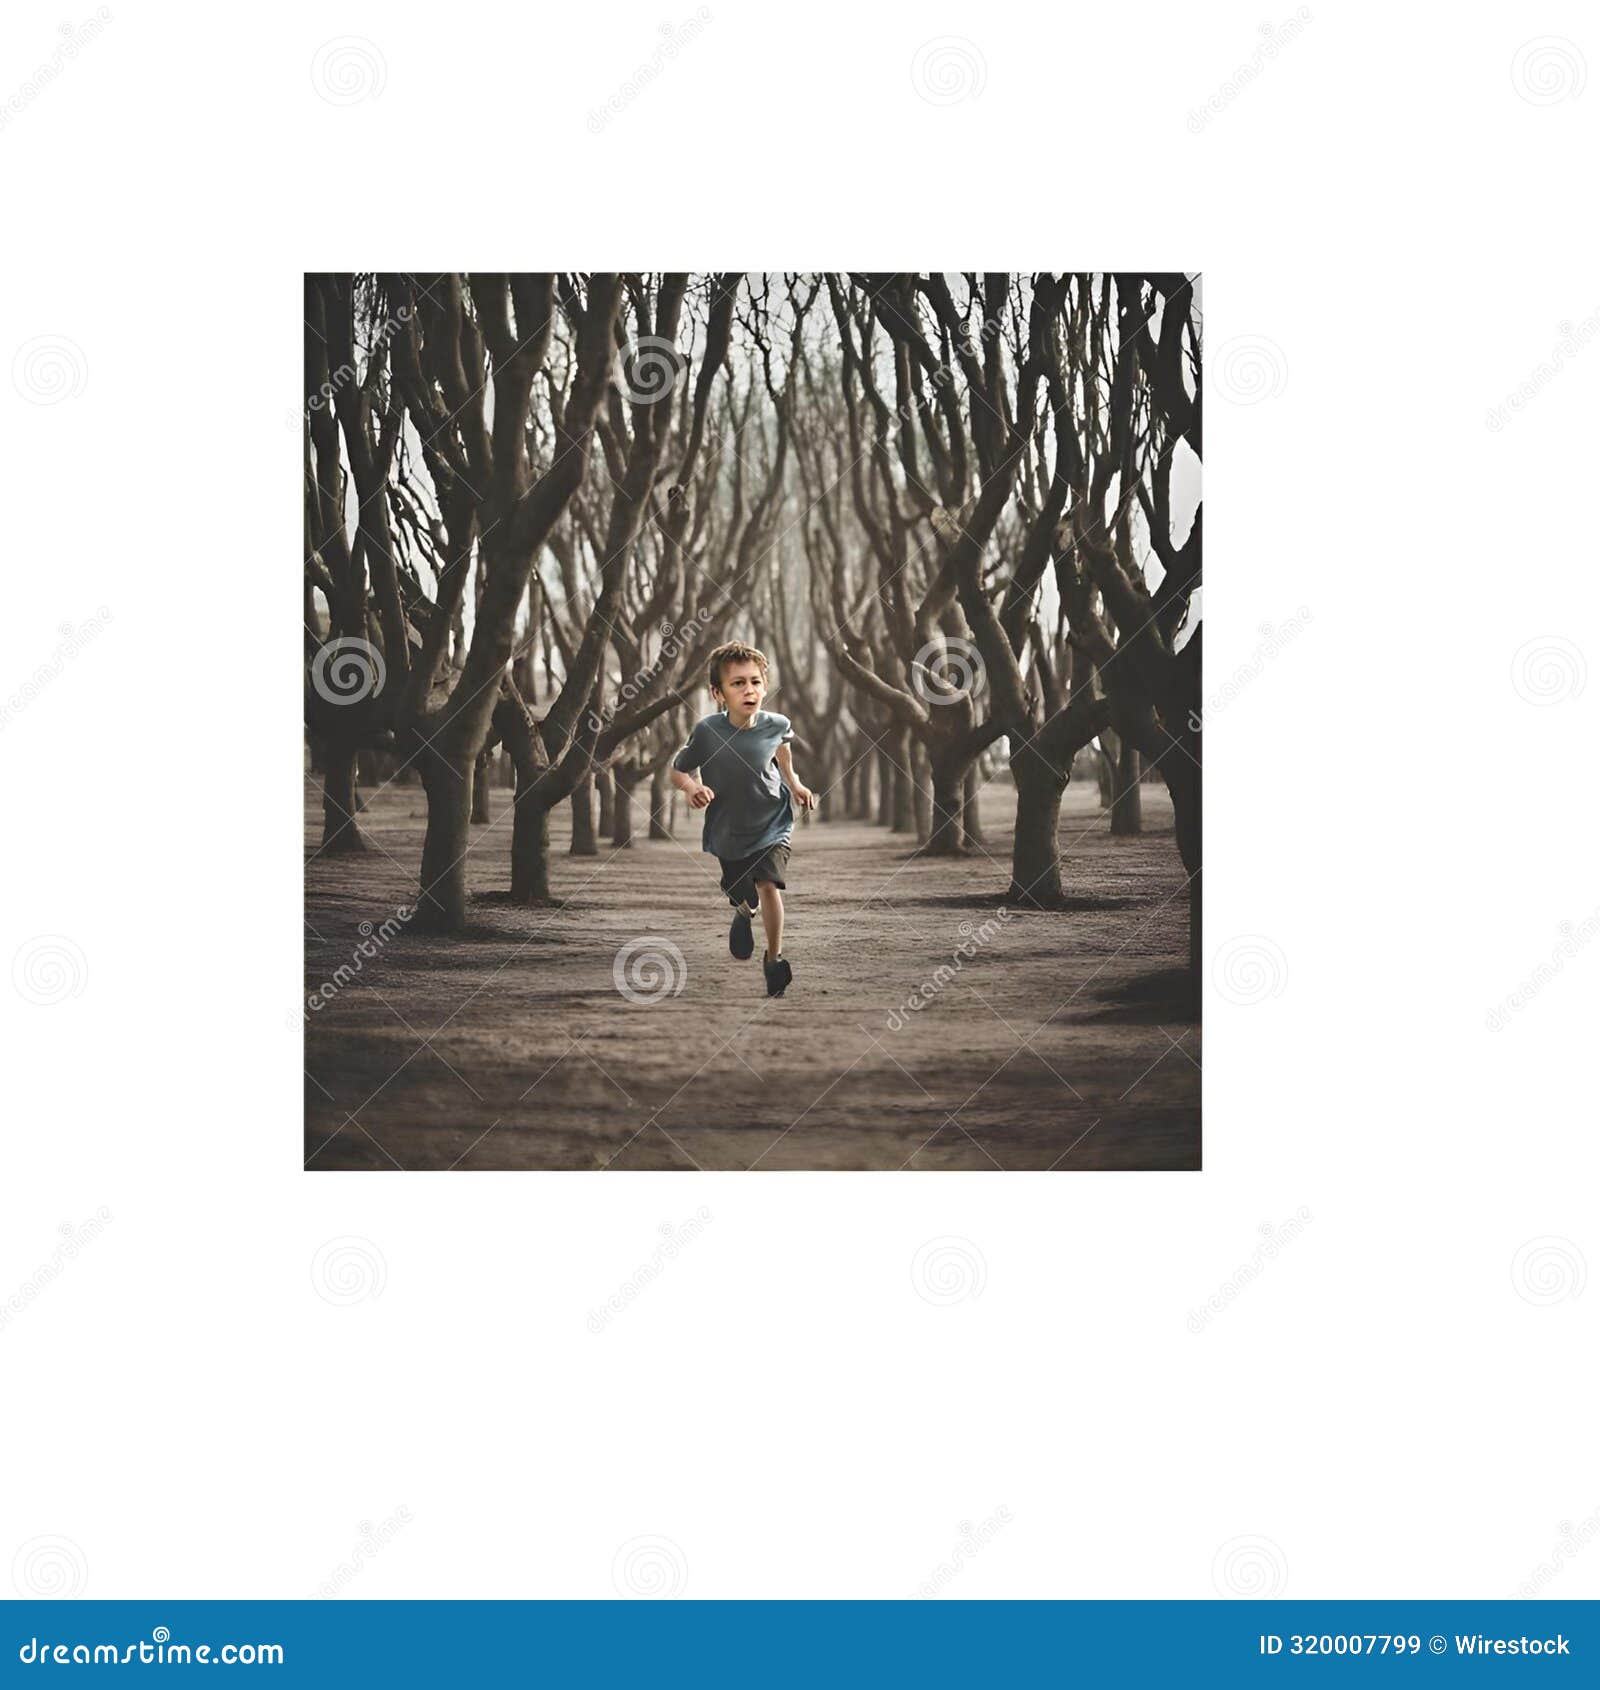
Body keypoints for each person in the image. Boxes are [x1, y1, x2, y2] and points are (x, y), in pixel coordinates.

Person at [669, 641, 816, 997]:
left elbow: (783, 749)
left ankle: (774, 959)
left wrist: (795, 784)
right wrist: (692, 789)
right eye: (737, 683)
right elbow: (678, 770)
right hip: (728, 829)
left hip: (773, 821)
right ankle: (742, 911)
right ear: (718, 693)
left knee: (769, 883)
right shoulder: (707, 732)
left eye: (755, 682)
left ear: (764, 687)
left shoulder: (777, 724)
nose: (749, 690)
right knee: (741, 890)